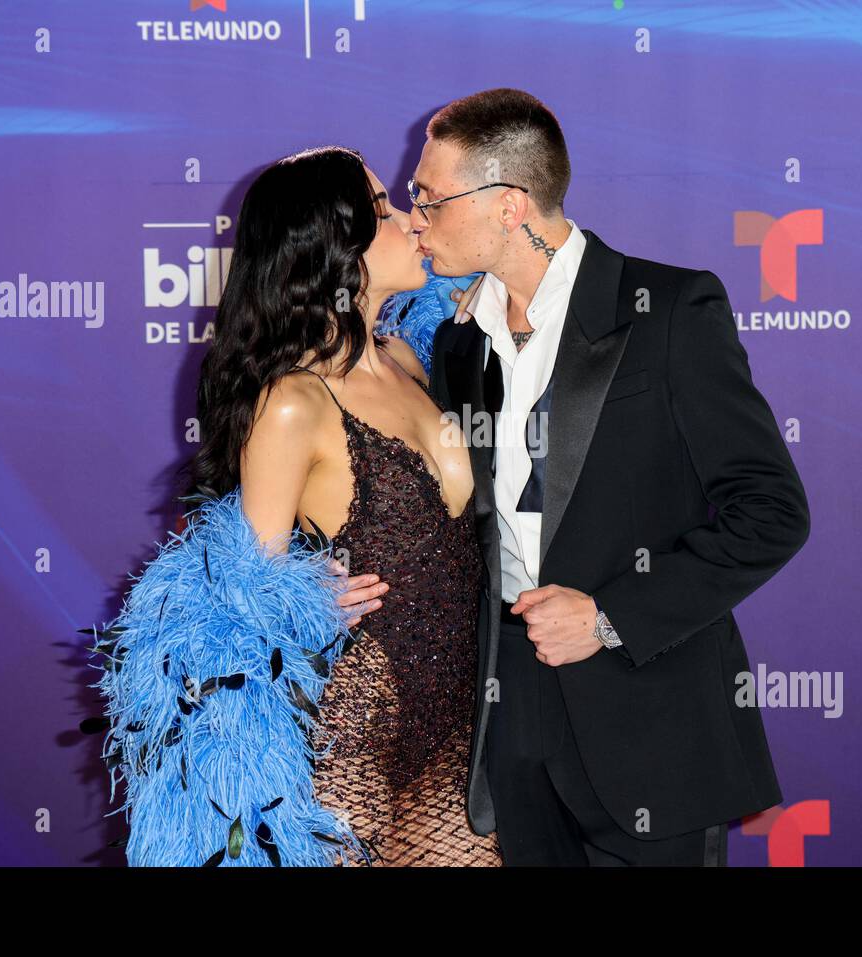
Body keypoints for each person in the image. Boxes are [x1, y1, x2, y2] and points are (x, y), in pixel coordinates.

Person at [415, 88, 812, 865]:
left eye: (431, 197)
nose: (416, 215)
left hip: (652, 715)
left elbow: (771, 511)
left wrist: (607, 615)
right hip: (511, 727)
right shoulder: (458, 344)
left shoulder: (668, 311)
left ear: (508, 204)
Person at [86, 145, 500, 866]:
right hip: (350, 727)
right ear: (335, 246)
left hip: (459, 727)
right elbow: (233, 606)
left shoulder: (411, 358)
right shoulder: (291, 402)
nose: (408, 221)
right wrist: (299, 599)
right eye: (383, 210)